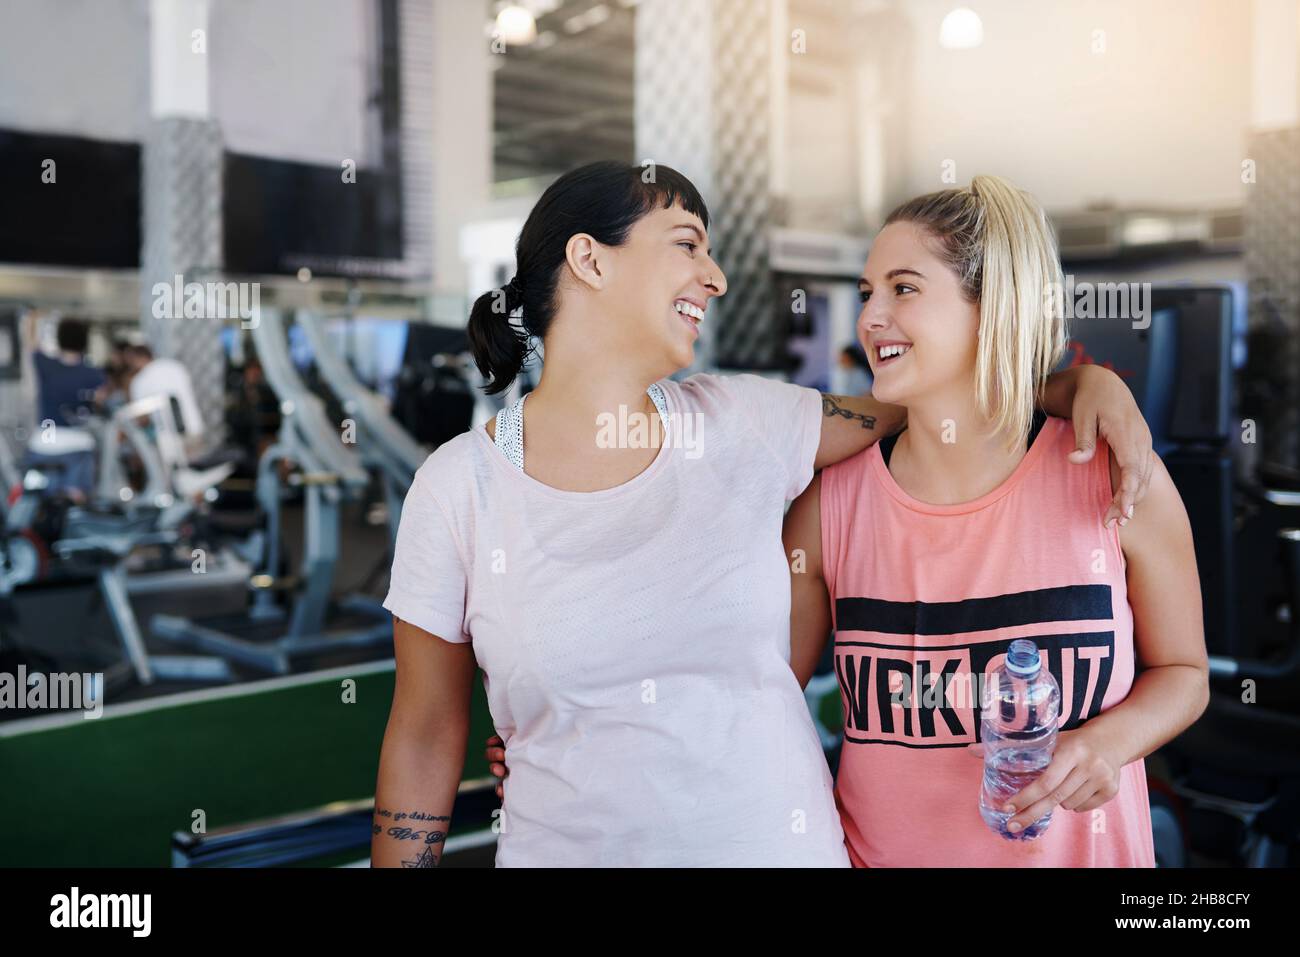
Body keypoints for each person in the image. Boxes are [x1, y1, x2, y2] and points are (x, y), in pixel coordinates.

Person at [375, 161, 1154, 868]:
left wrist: (1080, 389)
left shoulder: (746, 421)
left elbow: (943, 398)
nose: (714, 278)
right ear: (590, 259)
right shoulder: (457, 490)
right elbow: (425, 729)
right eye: (688, 244)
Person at [782, 175, 1209, 866]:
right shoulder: (827, 507)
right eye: (867, 293)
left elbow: (1186, 671)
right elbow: (762, 700)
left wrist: (1110, 740)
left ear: (991, 308)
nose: (870, 316)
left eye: (904, 288)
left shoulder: (1116, 477)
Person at [26, 315, 106, 500]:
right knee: (76, 494)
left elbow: (31, 344)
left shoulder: (45, 364)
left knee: (36, 495)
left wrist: (31, 317)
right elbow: (101, 402)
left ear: (60, 339)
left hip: (45, 440)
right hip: (76, 444)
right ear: (84, 340)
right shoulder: (93, 374)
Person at [123, 344, 206, 458]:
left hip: (168, 439)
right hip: (193, 427)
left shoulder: (139, 381)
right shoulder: (175, 366)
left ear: (138, 358)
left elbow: (142, 418)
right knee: (194, 470)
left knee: (172, 474)